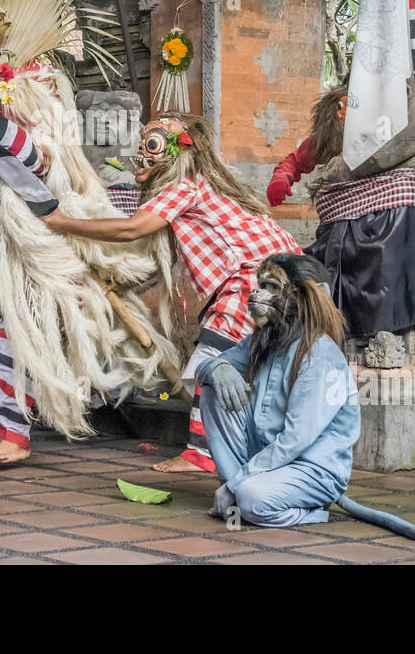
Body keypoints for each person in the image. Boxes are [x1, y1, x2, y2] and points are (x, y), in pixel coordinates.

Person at [0, 62, 178, 465]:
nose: (10, 116)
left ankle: (14, 437)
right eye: (4, 110)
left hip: (38, 284)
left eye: (15, 111)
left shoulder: (50, 157)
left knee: (13, 349)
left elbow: (27, 154)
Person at [41, 114, 302, 473]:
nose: (142, 152)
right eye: (142, 142)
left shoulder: (184, 187)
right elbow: (163, 258)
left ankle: (202, 454)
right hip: (282, 274)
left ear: (178, 152)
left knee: (213, 359)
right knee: (250, 365)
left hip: (255, 276)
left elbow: (130, 230)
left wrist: (61, 222)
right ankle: (251, 444)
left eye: (153, 144)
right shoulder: (198, 190)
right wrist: (125, 285)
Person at [302, 71, 415, 337]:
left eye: (408, 91)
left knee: (368, 237)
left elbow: (381, 158)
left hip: (414, 208)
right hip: (411, 202)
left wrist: (339, 168)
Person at [197, 252, 357, 527]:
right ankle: (237, 492)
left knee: (252, 499)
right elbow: (203, 369)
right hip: (269, 460)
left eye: (270, 287)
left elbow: (296, 440)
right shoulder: (263, 341)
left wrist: (237, 485)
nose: (256, 294)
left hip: (311, 469)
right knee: (214, 388)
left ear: (303, 297)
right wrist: (217, 369)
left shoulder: (318, 357)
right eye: (260, 284)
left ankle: (310, 511)